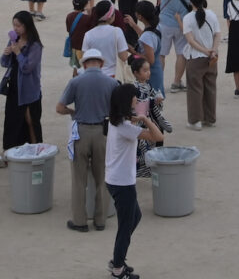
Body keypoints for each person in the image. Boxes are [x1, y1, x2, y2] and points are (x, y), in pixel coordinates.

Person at [104, 80, 164, 279]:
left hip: (114, 179)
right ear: (127, 100)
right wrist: (146, 120)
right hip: (122, 183)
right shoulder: (126, 128)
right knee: (124, 228)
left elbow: (129, 126)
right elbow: (157, 137)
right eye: (134, 96)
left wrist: (136, 119)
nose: (137, 99)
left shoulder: (117, 121)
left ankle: (117, 259)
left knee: (134, 218)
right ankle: (118, 268)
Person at [56, 46, 116, 233]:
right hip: (103, 132)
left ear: (84, 64)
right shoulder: (112, 83)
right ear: (101, 63)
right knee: (103, 178)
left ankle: (80, 221)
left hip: (80, 131)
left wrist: (73, 112)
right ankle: (100, 220)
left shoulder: (76, 81)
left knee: (79, 179)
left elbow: (59, 108)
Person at [0, 11, 44, 163]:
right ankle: (8, 153)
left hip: (29, 91)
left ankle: (37, 152)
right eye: (14, 25)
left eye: (18, 25)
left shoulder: (35, 46)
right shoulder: (13, 41)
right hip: (14, 87)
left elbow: (28, 68)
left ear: (27, 26)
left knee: (31, 121)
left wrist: (18, 53)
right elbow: (4, 63)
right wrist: (7, 53)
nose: (15, 29)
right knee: (11, 122)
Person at [180, 0, 221, 129]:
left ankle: (195, 120)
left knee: (194, 89)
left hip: (196, 57)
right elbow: (217, 34)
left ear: (191, 1)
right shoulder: (212, 15)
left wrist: (205, 50)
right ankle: (210, 118)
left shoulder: (187, 18)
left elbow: (190, 40)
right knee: (210, 87)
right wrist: (213, 51)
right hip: (212, 58)